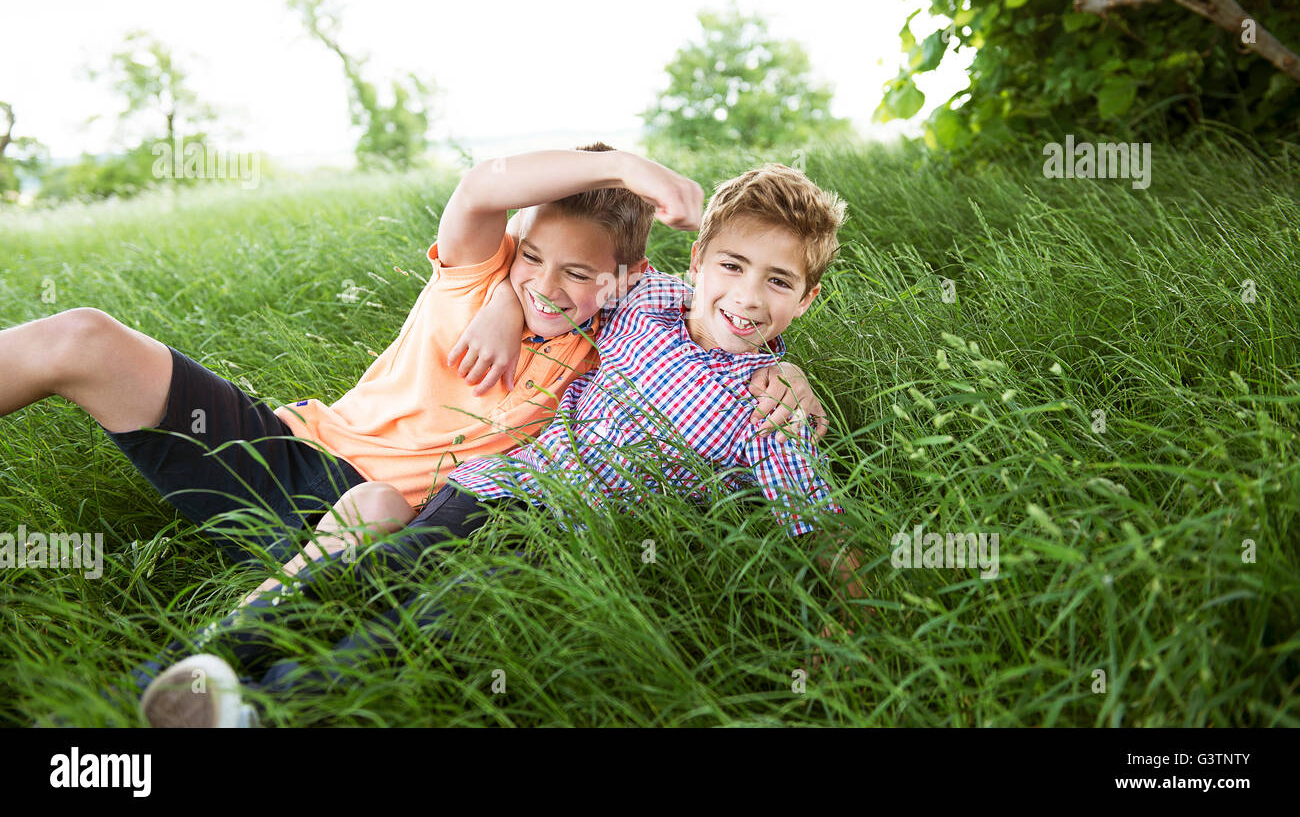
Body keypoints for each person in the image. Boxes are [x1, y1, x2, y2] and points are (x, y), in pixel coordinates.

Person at [138, 160, 868, 727]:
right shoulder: (647, 301)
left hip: (574, 540)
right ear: (700, 258)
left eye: (778, 282)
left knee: (432, 622)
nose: (746, 297)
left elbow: (819, 523)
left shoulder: (771, 411)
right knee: (370, 577)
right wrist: (498, 301)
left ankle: (266, 711)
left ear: (805, 300)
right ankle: (192, 673)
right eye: (734, 267)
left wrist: (844, 627)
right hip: (492, 487)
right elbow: (558, 275)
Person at [0, 144, 825, 572]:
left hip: (392, 522)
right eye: (530, 257)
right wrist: (621, 166)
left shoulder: (618, 331)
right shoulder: (476, 274)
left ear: (619, 280)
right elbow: (480, 186)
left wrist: (787, 369)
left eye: (576, 273)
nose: (544, 283)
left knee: (381, 521)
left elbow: (728, 305)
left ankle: (247, 635)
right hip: (287, 454)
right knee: (83, 336)